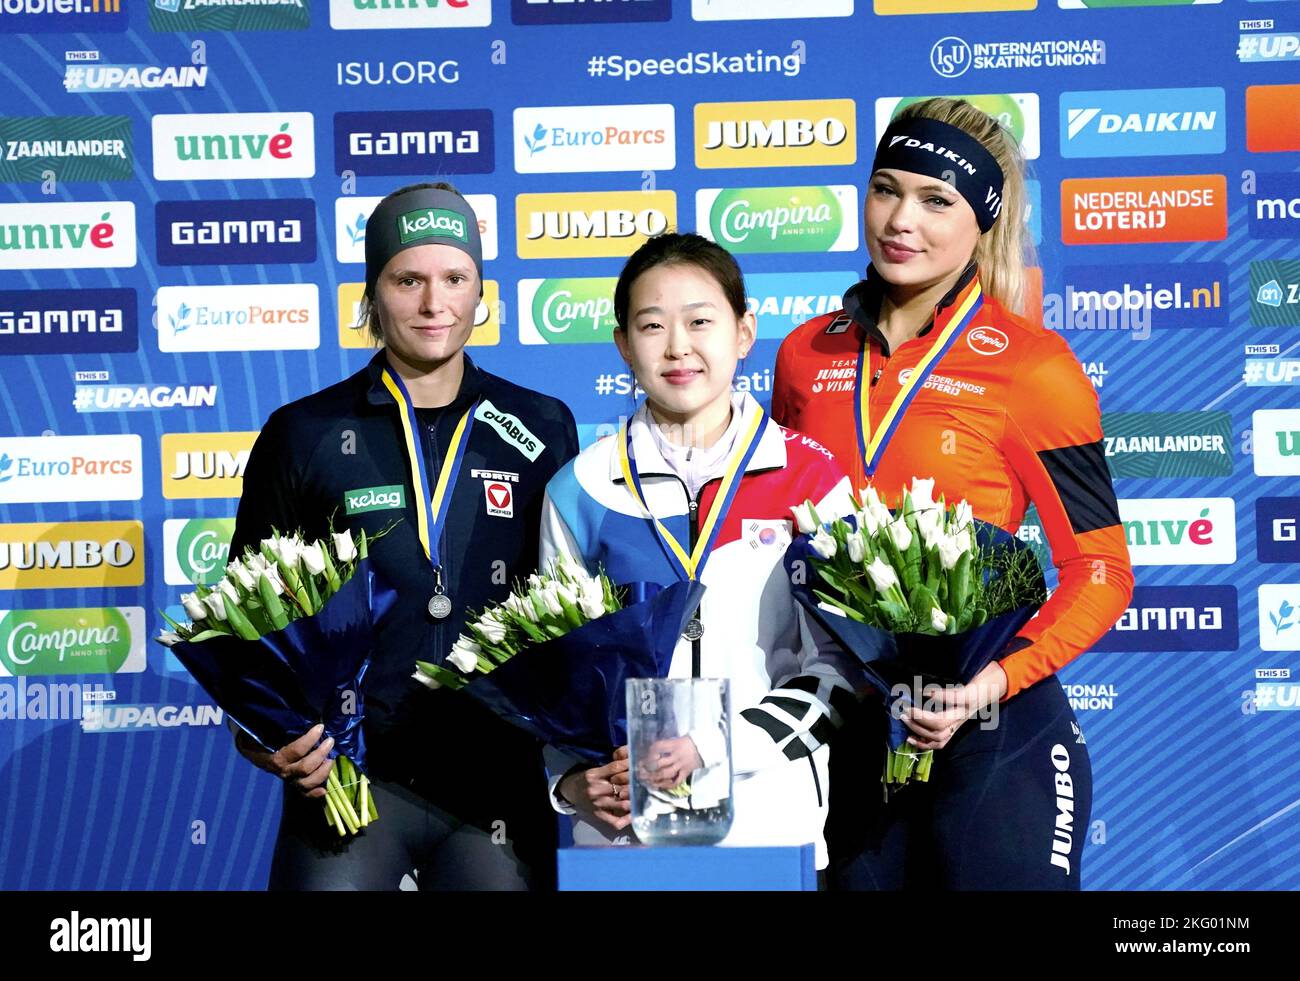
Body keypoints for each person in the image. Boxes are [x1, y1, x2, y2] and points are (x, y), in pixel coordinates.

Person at [771, 98, 1134, 890]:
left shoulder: (1032, 368)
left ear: (984, 222)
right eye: (886, 189)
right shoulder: (803, 355)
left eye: (937, 201)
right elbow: (771, 534)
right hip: (848, 727)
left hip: (994, 722)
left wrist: (986, 686)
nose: (901, 219)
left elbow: (1100, 570)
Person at [228, 182, 579, 890]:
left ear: (482, 290)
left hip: (494, 782)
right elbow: (246, 618)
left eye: (455, 278)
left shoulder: (542, 425)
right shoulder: (305, 433)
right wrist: (270, 738)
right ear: (372, 291)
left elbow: (571, 610)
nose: (433, 302)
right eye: (407, 279)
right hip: (350, 780)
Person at [538, 233, 865, 873]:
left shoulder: (811, 481)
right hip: (622, 835)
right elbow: (556, 670)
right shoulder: (580, 489)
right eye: (652, 325)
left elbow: (839, 672)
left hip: (767, 823)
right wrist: (573, 780)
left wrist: (714, 744)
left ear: (744, 332)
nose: (678, 346)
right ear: (622, 344)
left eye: (700, 322)